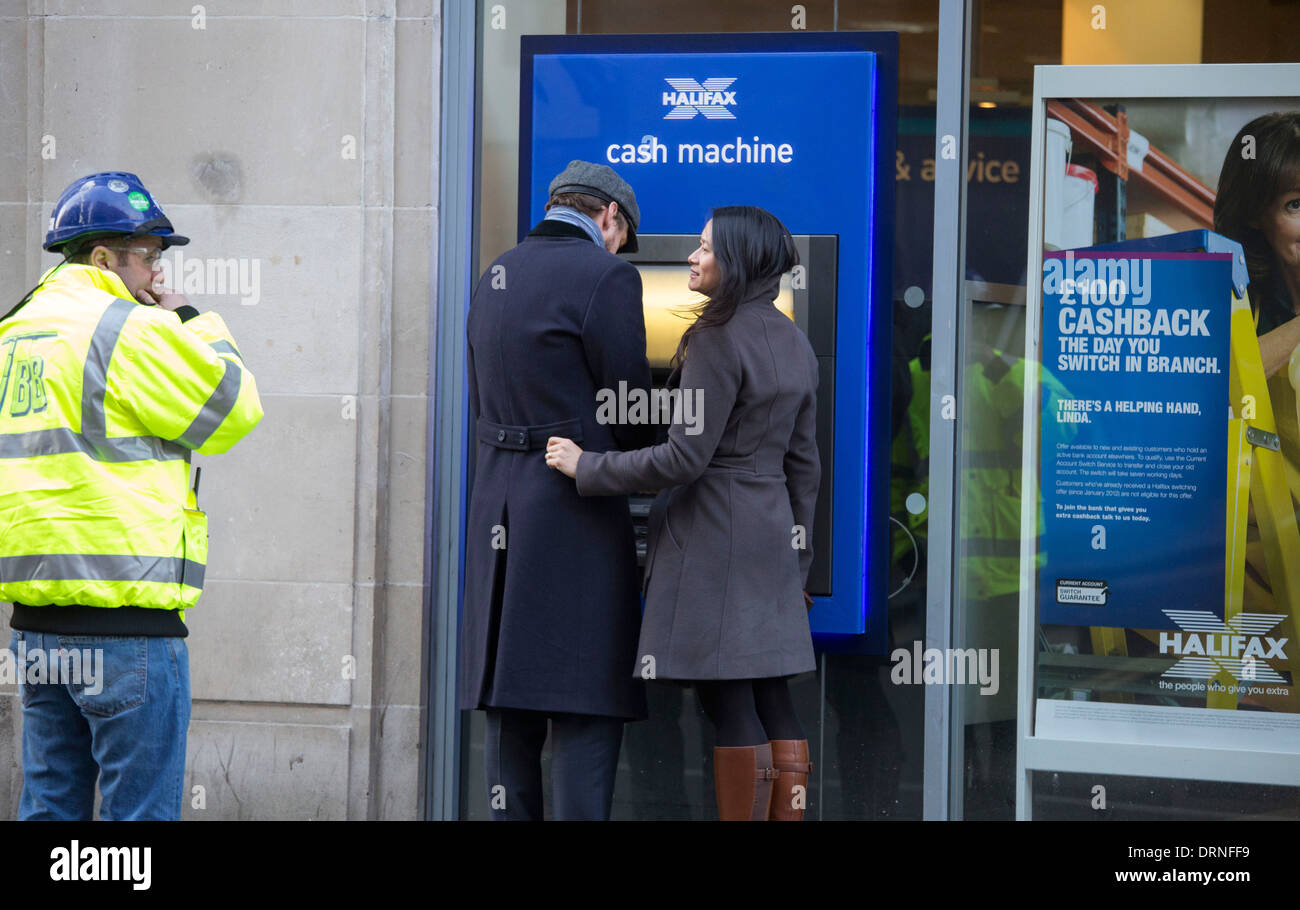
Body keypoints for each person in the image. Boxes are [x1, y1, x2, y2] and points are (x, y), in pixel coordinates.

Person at [2, 171, 263, 820]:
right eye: (147, 257)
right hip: (128, 624)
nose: (157, 273)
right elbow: (232, 407)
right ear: (101, 258)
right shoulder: (127, 328)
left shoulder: (13, 332)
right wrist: (191, 319)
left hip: (36, 628)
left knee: (49, 808)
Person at [546, 205, 819, 821]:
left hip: (715, 539)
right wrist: (798, 561)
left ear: (738, 261)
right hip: (769, 535)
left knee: (728, 701)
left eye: (703, 249)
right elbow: (806, 467)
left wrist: (587, 467)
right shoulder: (793, 342)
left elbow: (682, 459)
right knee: (772, 694)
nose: (692, 259)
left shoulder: (716, 340)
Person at [458, 160, 657, 820]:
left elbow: (484, 402)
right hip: (572, 513)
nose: (619, 245)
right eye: (621, 234)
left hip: (498, 510)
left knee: (511, 712)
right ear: (609, 217)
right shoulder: (607, 275)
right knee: (583, 707)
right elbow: (629, 411)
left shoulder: (493, 276)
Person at [1214, 112, 1300, 693]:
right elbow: (1218, 378)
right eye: (1296, 205)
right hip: (1255, 569)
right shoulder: (1232, 292)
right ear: (1255, 217)